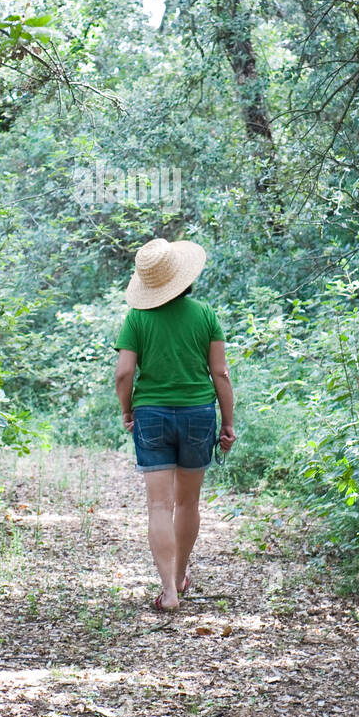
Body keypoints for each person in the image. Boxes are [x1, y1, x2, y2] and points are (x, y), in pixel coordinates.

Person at [114, 237, 235, 612]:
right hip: (199, 413)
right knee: (188, 502)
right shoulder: (205, 315)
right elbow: (221, 372)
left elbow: (123, 373)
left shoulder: (137, 318)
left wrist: (127, 410)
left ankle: (168, 591)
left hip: (151, 415)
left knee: (158, 505)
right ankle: (181, 575)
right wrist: (228, 422)